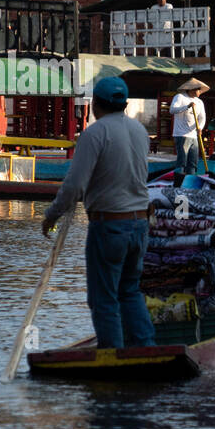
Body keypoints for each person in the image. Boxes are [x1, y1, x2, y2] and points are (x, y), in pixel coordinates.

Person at [40, 77, 156, 350]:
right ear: (125, 104)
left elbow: (75, 186)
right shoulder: (139, 131)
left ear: (95, 105)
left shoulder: (94, 134)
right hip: (140, 225)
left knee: (104, 298)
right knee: (129, 291)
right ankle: (146, 348)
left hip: (110, 227)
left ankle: (112, 356)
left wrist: (52, 215)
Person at [169, 78, 207, 176]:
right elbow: (172, 110)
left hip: (194, 135)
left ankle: (191, 182)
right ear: (191, 89)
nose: (199, 91)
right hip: (181, 135)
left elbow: (202, 118)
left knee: (193, 162)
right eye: (197, 89)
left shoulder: (199, 102)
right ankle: (178, 183)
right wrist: (187, 107)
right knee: (182, 161)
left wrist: (200, 128)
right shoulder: (180, 97)